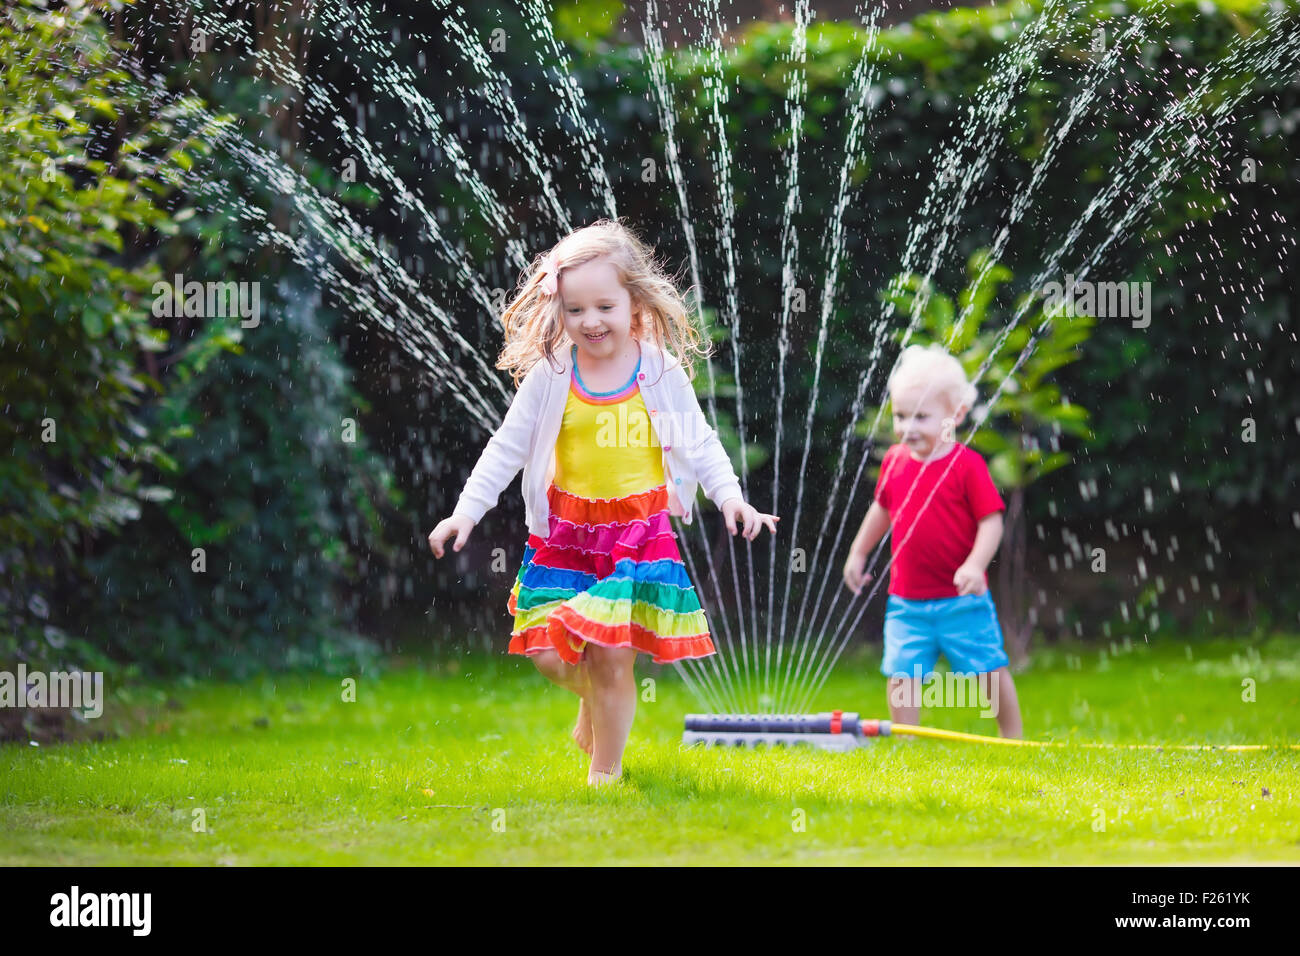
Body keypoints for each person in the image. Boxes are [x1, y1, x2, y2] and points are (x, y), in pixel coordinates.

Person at [428, 218, 779, 785]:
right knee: (545, 650)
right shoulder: (552, 374)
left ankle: (606, 775)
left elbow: (699, 441)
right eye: (575, 310)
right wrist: (464, 513)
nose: (590, 321)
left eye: (604, 307)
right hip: (565, 535)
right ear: (559, 311)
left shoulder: (659, 370)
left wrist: (733, 499)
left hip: (636, 535)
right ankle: (597, 702)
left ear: (634, 303)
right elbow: (507, 448)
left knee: (614, 655)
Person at [841, 344, 1022, 738]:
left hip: (962, 601)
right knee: (901, 675)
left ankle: (1013, 738)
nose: (908, 428)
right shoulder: (895, 460)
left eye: (921, 417)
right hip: (907, 601)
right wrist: (858, 552)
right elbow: (882, 510)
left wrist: (974, 565)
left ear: (955, 416)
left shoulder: (967, 466)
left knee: (988, 670)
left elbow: (991, 522)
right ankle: (908, 743)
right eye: (901, 416)